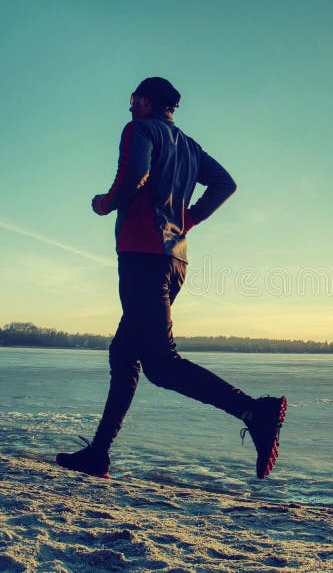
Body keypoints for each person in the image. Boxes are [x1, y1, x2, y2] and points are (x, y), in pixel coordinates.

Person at [56, 77, 286, 480]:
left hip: (143, 255)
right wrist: (187, 222)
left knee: (161, 365)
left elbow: (137, 173)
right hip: (174, 260)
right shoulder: (190, 146)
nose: (129, 107)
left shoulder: (139, 129)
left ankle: (255, 411)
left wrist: (107, 204)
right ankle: (98, 455)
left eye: (133, 99)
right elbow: (225, 183)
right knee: (124, 355)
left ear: (146, 102)